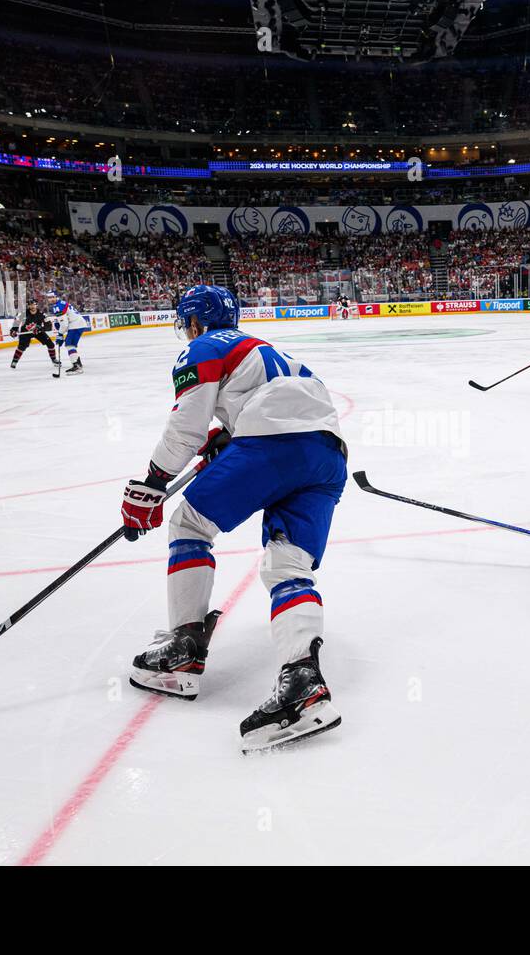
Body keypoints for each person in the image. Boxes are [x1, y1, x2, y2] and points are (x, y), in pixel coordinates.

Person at [120, 284, 347, 752]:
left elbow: (185, 427)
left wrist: (153, 483)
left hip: (270, 445)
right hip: (327, 455)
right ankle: (304, 686)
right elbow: (279, 402)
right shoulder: (270, 350)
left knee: (188, 525)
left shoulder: (203, 346)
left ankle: (183, 651)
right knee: (287, 566)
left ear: (194, 322)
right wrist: (230, 437)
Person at [9, 300, 60, 373]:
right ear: (28, 306)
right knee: (21, 347)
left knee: (50, 344)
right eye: (30, 305)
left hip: (38, 332)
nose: (32, 306)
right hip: (25, 332)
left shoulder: (42, 314)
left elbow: (49, 326)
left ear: (36, 305)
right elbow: (16, 323)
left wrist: (40, 329)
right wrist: (13, 331)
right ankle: (14, 361)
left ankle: (54, 359)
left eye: (34, 304)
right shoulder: (22, 314)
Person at [47, 293, 89, 374]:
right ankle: (78, 362)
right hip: (77, 323)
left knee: (69, 345)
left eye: (53, 297)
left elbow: (64, 324)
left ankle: (76, 366)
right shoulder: (61, 303)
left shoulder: (57, 306)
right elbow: (64, 321)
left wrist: (60, 334)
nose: (51, 299)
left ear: (56, 297)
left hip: (75, 325)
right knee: (71, 344)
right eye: (49, 298)